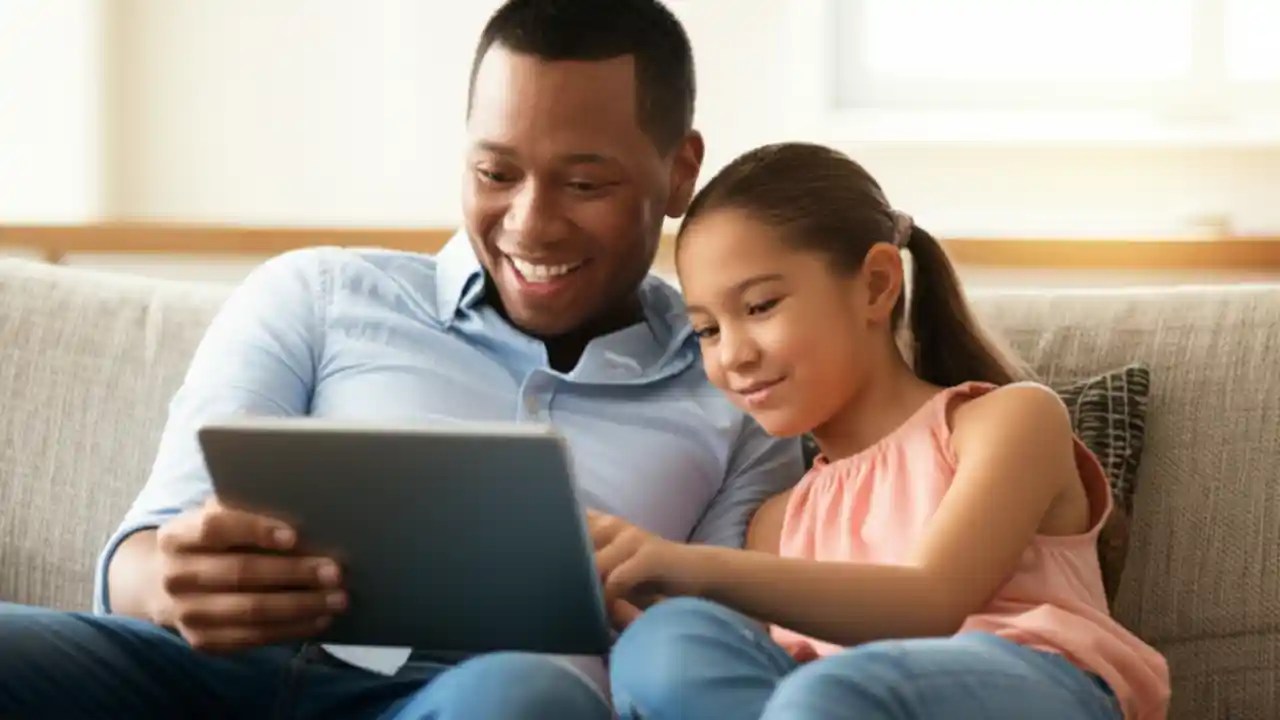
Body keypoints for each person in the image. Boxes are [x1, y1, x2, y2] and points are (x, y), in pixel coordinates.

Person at [0, 2, 801, 718]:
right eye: (495, 173)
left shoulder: (740, 387)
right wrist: (170, 582)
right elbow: (142, 553)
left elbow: (714, 648)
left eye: (584, 184)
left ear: (679, 171)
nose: (531, 224)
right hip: (207, 675)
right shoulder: (319, 294)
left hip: (470, 698)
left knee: (526, 695)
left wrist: (635, 611)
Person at [591, 142, 1172, 720]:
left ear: (875, 284)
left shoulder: (1009, 422)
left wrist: (691, 565)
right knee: (662, 646)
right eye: (707, 330)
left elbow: (929, 603)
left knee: (827, 692)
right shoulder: (778, 522)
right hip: (826, 700)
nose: (734, 355)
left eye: (761, 305)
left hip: (1037, 687)